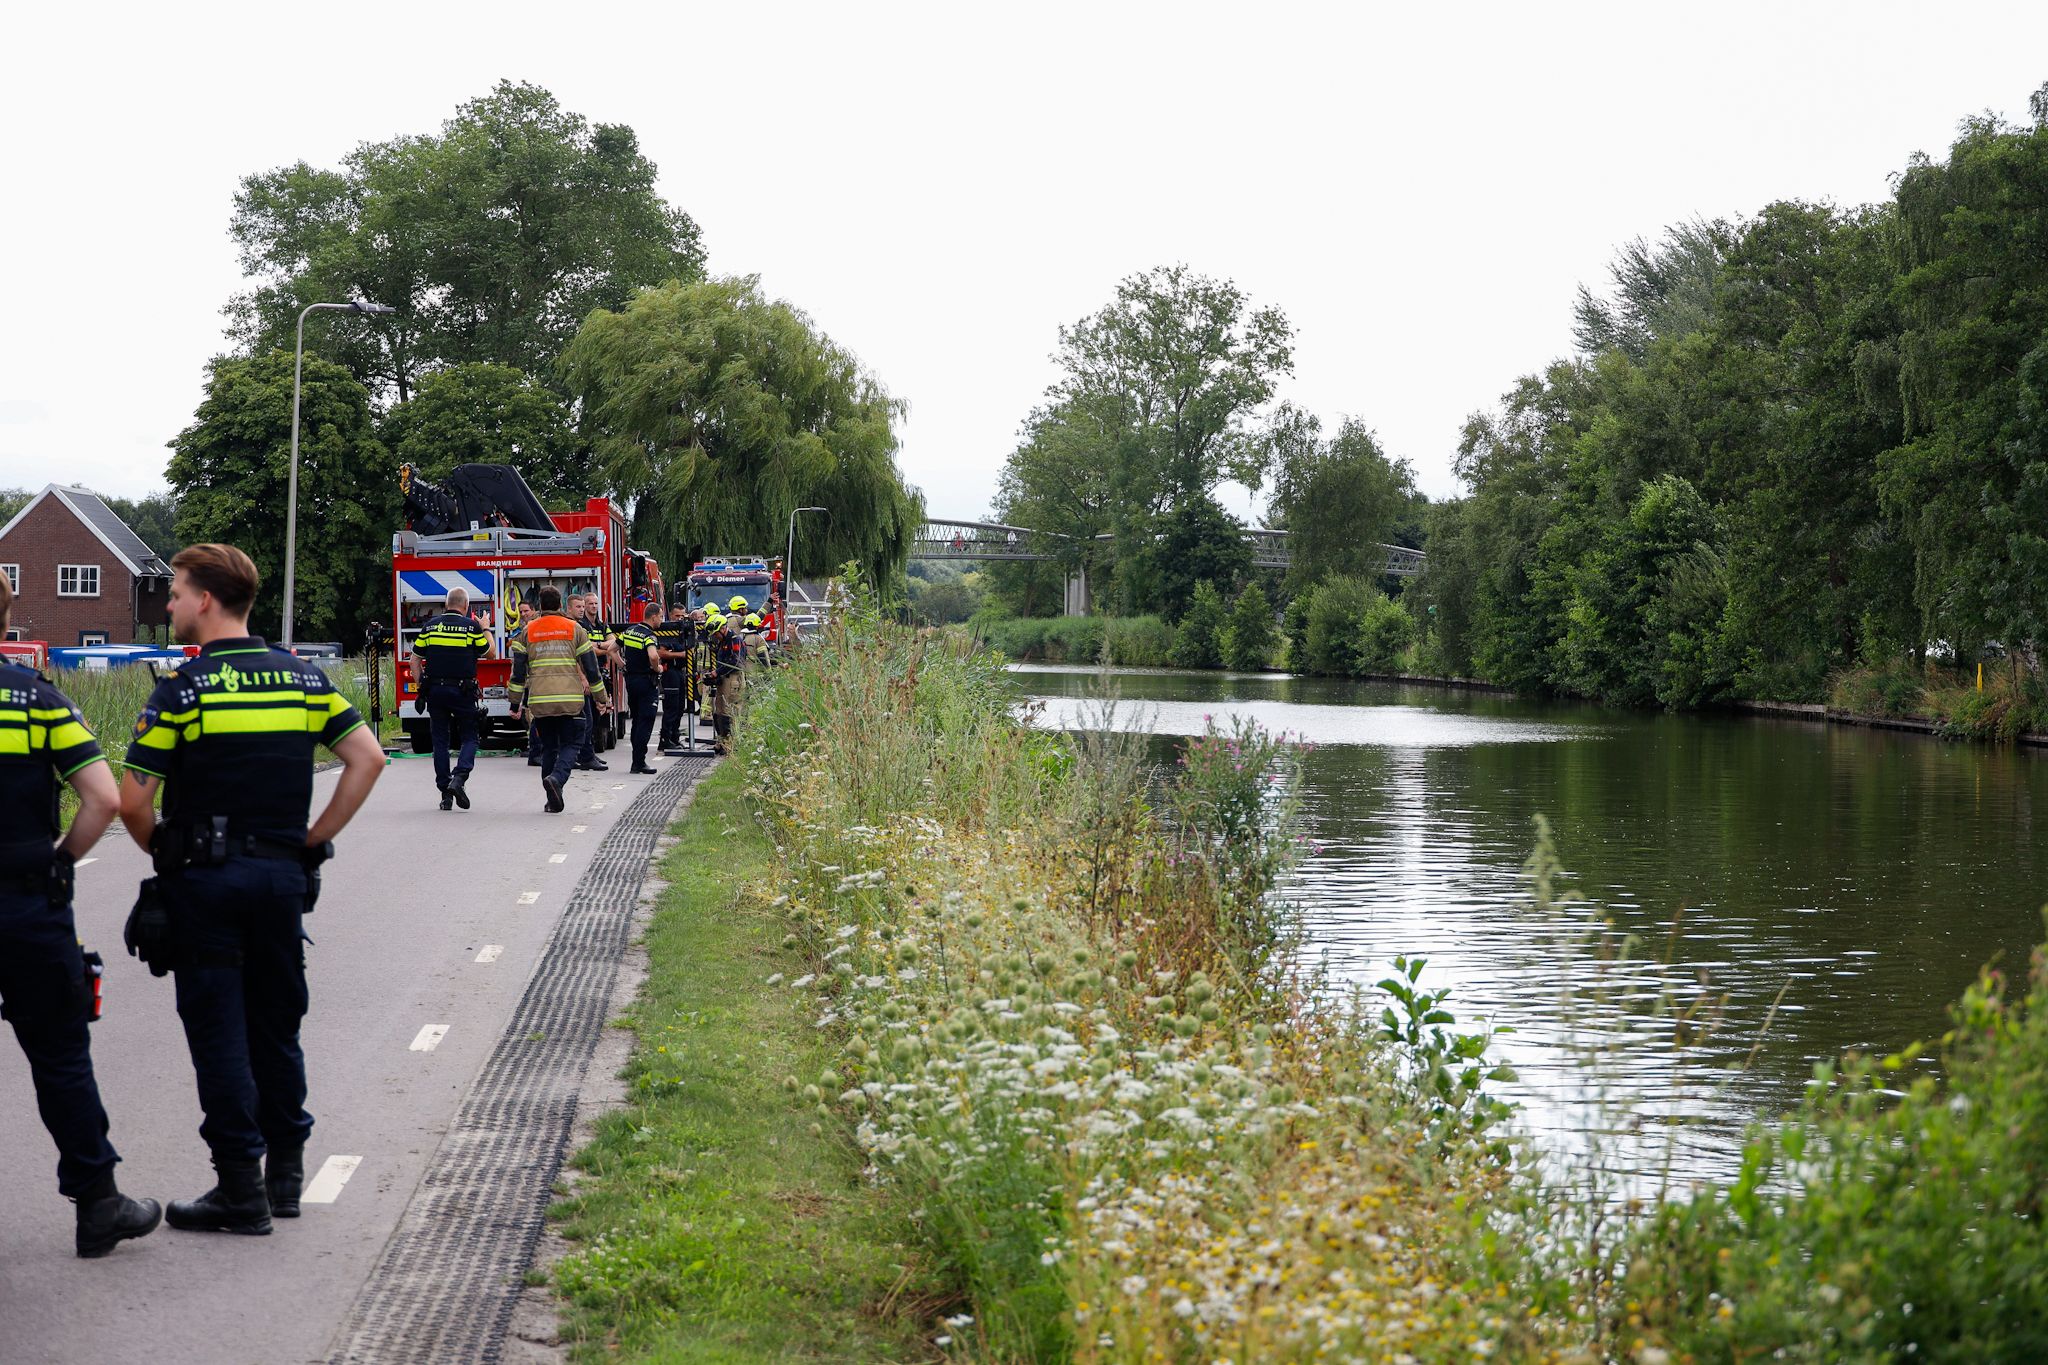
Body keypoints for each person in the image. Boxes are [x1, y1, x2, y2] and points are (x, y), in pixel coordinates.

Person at [118, 543, 385, 1235]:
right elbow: (368, 756)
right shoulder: (303, 679)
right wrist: (312, 836)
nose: (170, 603)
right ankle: (286, 1179)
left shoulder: (183, 689)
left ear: (205, 599)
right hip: (279, 880)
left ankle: (240, 1188)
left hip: (205, 881)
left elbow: (132, 799)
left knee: (218, 1034)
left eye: (175, 591)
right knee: (277, 1026)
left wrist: (162, 850)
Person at [0, 573, 162, 1258]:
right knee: (61, 1054)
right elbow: (102, 797)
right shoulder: (36, 699)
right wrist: (61, 858)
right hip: (26, 901)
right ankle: (97, 1203)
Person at [508, 585, 609, 814]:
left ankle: (552, 799)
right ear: (560, 605)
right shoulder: (574, 629)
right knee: (573, 743)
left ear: (540, 606)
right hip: (570, 701)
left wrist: (515, 703)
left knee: (549, 748)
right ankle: (557, 779)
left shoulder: (527, 631)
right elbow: (591, 668)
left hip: (541, 703)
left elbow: (518, 673)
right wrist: (601, 698)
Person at [409, 587, 492, 810]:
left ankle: (445, 793)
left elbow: (414, 660)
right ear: (465, 607)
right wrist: (485, 629)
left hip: (435, 691)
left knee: (440, 742)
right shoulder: (471, 627)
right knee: (469, 737)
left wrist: (421, 687)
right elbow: (490, 653)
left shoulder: (430, 627)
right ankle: (459, 778)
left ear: (446, 605)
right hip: (463, 692)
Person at [617, 605, 663, 775]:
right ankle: (639, 762)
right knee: (646, 721)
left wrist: (623, 666)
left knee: (636, 721)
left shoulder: (629, 631)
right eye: (660, 616)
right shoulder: (649, 635)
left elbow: (611, 650)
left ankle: (636, 761)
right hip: (646, 682)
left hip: (631, 680)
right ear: (653, 617)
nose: (661, 620)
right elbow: (653, 655)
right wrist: (657, 668)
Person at [571, 594, 612, 774]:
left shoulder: (601, 624)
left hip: (591, 674)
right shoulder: (576, 627)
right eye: (580, 606)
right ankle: (583, 756)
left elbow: (613, 642)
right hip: (580, 679)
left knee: (592, 719)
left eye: (596, 603)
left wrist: (600, 645)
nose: (586, 608)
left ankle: (588, 754)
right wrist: (582, 678)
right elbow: (580, 656)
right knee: (584, 720)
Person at [652, 603, 696, 754]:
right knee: (670, 708)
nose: (679, 619)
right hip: (670, 671)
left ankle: (675, 738)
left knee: (679, 708)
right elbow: (661, 653)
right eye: (677, 616)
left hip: (681, 671)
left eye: (682, 616)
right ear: (670, 615)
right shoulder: (667, 631)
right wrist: (682, 655)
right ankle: (665, 739)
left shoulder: (684, 631)